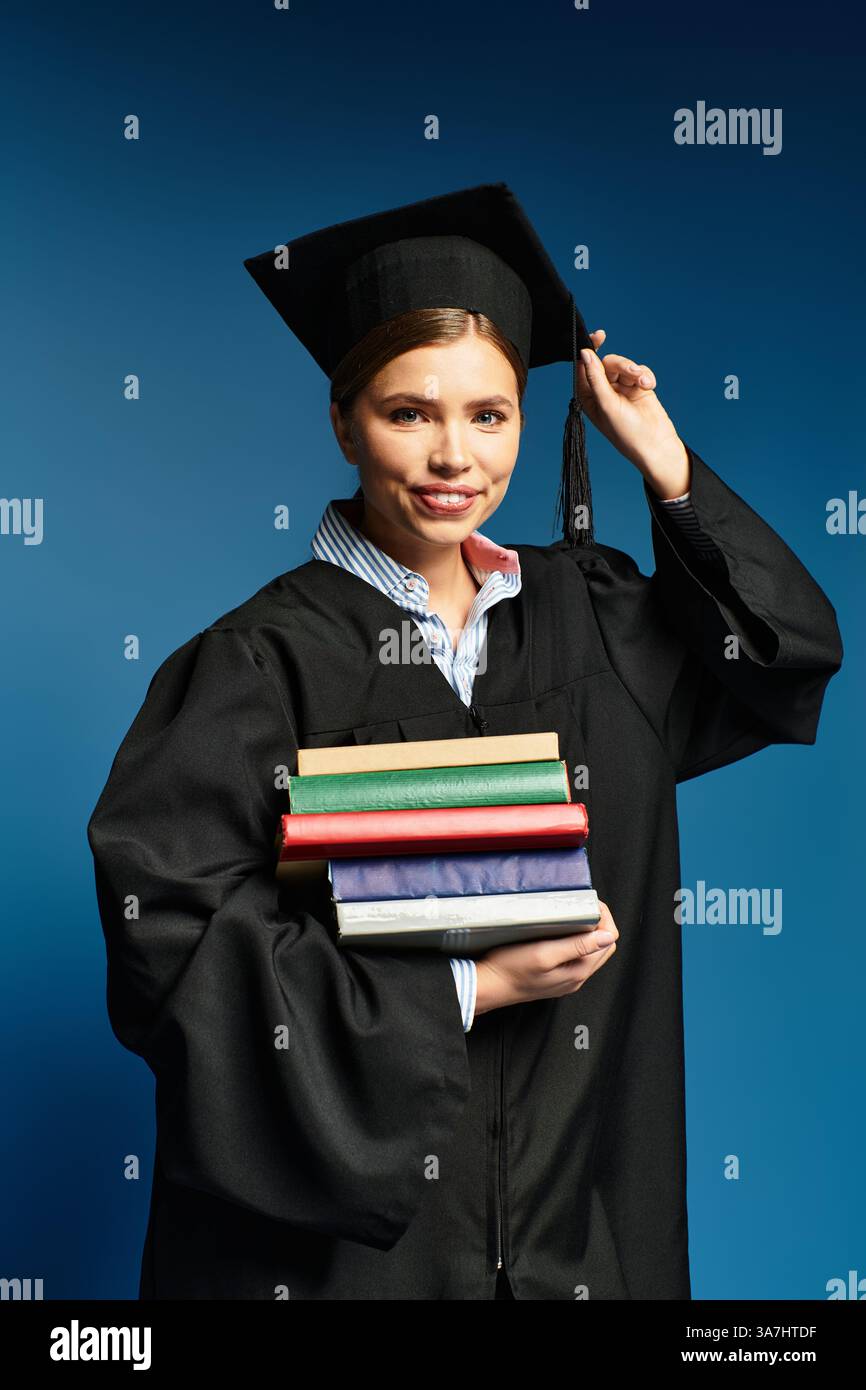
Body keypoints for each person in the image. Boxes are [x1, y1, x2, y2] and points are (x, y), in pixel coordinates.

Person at [86, 182, 843, 1300]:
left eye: (489, 414)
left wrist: (665, 465)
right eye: (409, 412)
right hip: (348, 1272)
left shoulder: (594, 620)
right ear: (343, 420)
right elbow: (173, 958)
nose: (454, 457)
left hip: (570, 1247)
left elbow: (781, 657)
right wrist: (464, 992)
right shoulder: (254, 664)